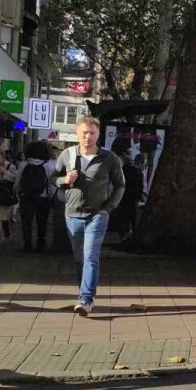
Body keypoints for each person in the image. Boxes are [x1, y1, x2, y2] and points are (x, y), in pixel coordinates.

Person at [53, 117, 125, 317]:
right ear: (77, 133)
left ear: (98, 134)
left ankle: (86, 298)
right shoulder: (67, 155)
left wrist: (108, 208)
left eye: (92, 133)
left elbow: (120, 184)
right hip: (73, 214)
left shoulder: (108, 157)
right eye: (84, 132)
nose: (88, 136)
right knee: (80, 259)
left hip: (97, 214)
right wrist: (64, 180)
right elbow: (53, 178)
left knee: (91, 256)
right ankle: (82, 293)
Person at [16, 141, 53, 252]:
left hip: (26, 197)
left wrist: (18, 193)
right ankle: (40, 244)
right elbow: (51, 184)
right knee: (42, 222)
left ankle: (27, 244)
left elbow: (18, 181)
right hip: (43, 198)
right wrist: (51, 197)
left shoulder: (24, 164)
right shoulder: (48, 165)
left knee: (26, 222)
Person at [0, 146, 19, 249]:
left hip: (2, 198)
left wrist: (4, 172)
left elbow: (15, 180)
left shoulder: (10, 167)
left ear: (3, 158)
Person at [112, 151, 144, 237]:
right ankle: (132, 230)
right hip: (132, 196)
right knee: (132, 215)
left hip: (123, 196)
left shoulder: (123, 170)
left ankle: (122, 232)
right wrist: (138, 196)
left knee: (123, 215)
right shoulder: (137, 171)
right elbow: (140, 185)